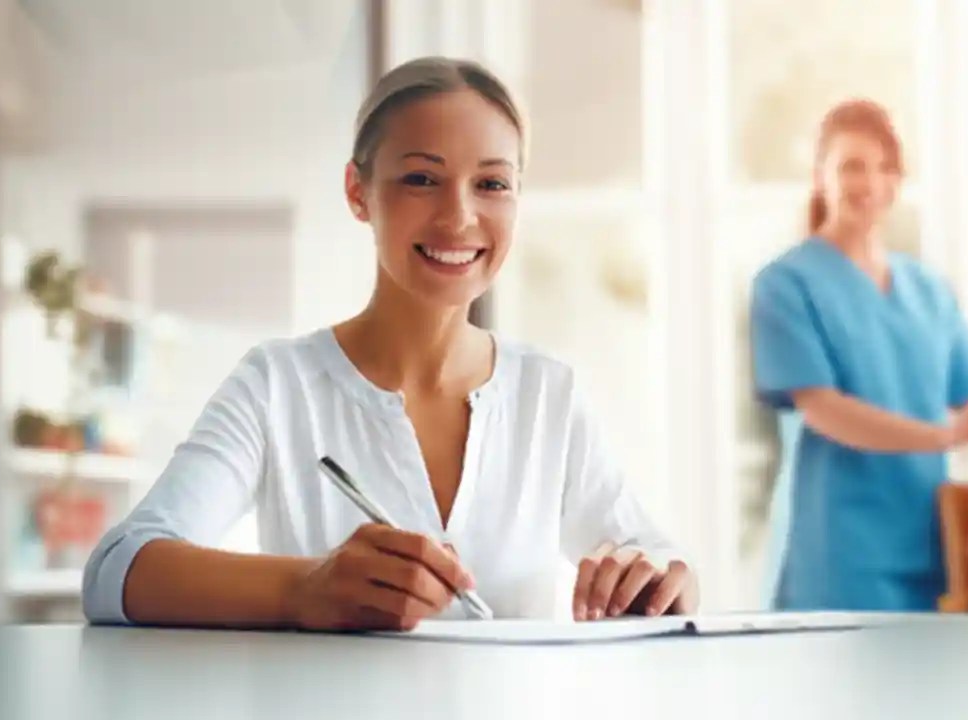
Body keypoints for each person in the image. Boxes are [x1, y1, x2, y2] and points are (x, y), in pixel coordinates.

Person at [82, 57, 697, 631]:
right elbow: (116, 571)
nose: (459, 218)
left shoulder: (548, 393)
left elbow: (658, 563)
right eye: (422, 178)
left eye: (491, 184)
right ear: (359, 192)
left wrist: (655, 584)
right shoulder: (278, 385)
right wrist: (306, 588)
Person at [750, 99, 968, 612]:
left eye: (884, 168)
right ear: (820, 177)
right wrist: (944, 436)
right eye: (851, 166)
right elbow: (823, 410)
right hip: (839, 547)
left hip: (927, 539)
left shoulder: (926, 289)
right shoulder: (785, 285)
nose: (869, 182)